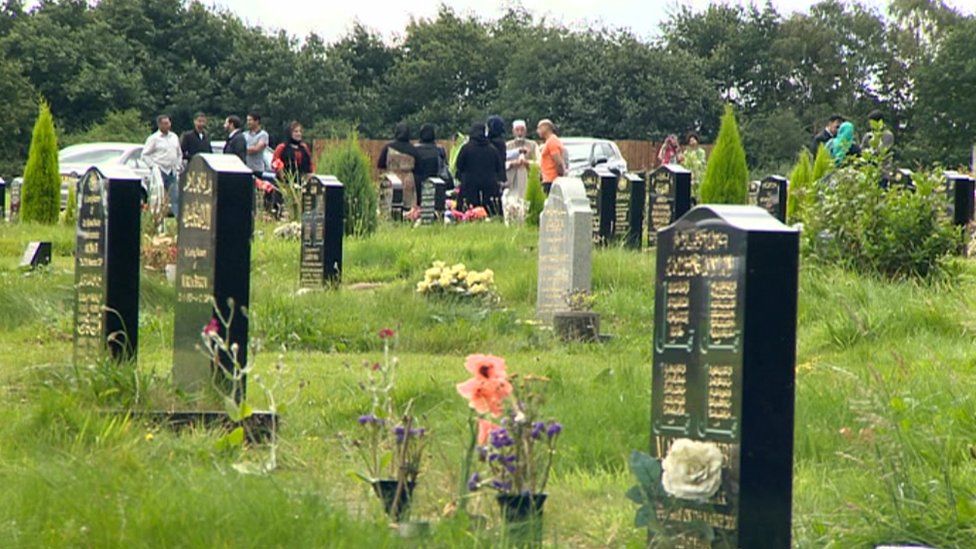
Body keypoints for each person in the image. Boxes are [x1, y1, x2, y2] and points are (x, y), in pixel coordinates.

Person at [456, 122, 503, 213]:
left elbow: (459, 165)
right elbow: (498, 167)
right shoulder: (492, 149)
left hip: (469, 184)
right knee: (491, 211)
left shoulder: (466, 148)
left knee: (469, 211)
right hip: (489, 184)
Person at [142, 114, 182, 217]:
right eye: (165, 123)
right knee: (158, 197)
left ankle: (177, 219)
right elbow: (145, 155)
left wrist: (178, 166)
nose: (168, 125)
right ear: (159, 125)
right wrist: (153, 166)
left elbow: (178, 153)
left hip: (172, 171)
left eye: (169, 123)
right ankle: (156, 218)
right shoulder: (154, 138)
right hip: (160, 171)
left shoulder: (174, 137)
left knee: (175, 196)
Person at [378, 122, 421, 207]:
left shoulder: (388, 147)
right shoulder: (413, 150)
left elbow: (380, 164)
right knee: (407, 208)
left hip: (391, 179)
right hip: (408, 183)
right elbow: (418, 168)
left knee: (389, 206)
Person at [505, 119, 539, 200]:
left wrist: (527, 162)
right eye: (517, 130)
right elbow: (500, 163)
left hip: (528, 178)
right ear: (513, 131)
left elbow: (539, 162)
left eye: (522, 130)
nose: (520, 133)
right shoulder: (507, 145)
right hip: (512, 180)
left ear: (525, 131)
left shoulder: (533, 145)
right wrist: (513, 163)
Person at [414, 123, 450, 197]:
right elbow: (444, 169)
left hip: (418, 184)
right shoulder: (440, 149)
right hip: (436, 183)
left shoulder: (415, 149)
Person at [536, 119, 565, 195]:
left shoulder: (552, 141)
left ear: (546, 127)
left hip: (551, 180)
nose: (537, 131)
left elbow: (558, 162)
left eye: (539, 128)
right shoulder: (548, 141)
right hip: (547, 179)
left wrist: (559, 178)